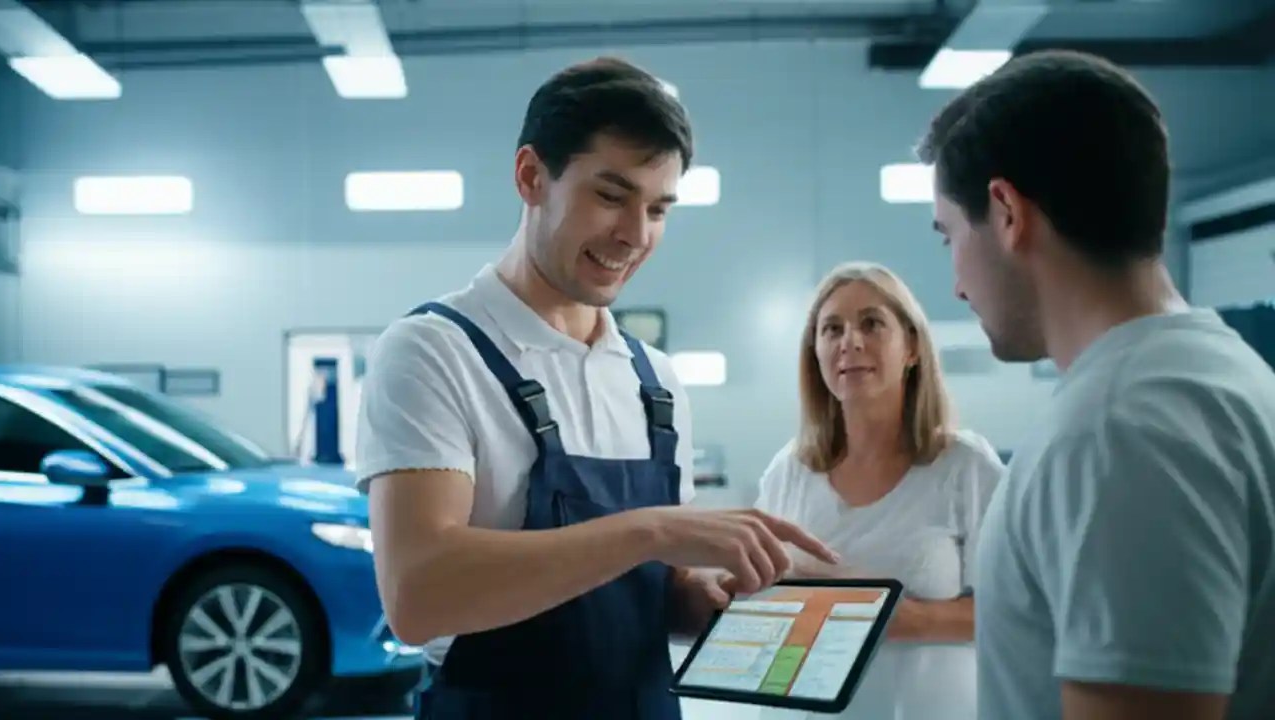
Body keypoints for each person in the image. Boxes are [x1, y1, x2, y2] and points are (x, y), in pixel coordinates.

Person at [355, 56, 838, 720]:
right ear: (531, 176)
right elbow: (419, 595)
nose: (636, 235)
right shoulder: (434, 352)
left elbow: (650, 590)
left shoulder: (656, 383)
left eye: (658, 209)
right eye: (611, 196)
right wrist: (647, 531)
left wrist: (709, 596)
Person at [918, 49, 1275, 720]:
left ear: (1005, 212)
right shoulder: (1220, 374)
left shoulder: (1119, 430)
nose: (957, 282)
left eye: (948, 237)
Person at [753, 261, 1004, 720]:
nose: (849, 341)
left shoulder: (964, 466)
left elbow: (1014, 613)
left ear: (911, 347)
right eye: (832, 329)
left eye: (871, 323)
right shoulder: (788, 471)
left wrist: (896, 617)